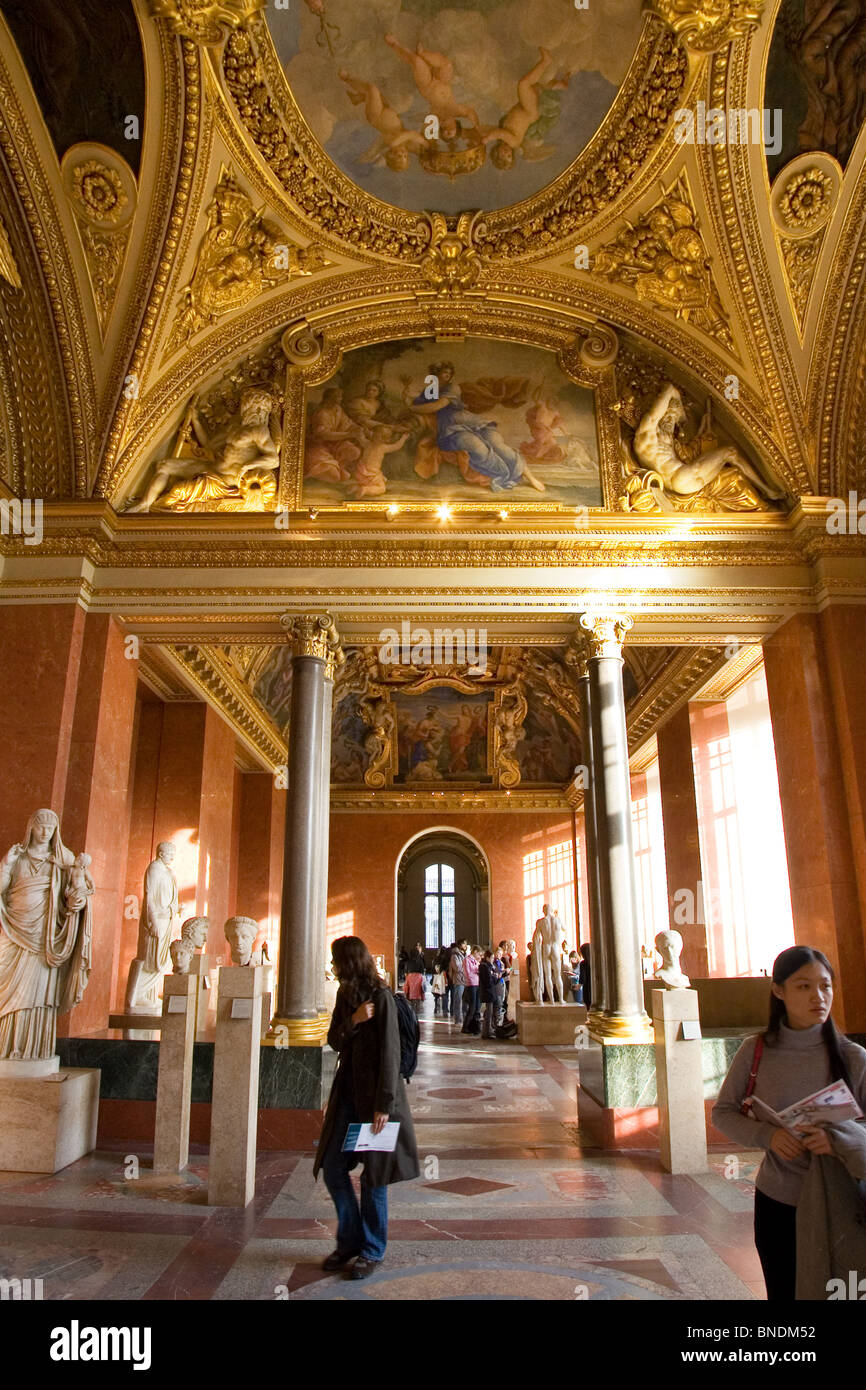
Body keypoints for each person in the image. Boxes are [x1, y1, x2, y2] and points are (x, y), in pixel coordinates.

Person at [712, 945, 866, 1302]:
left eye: (825, 986)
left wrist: (841, 1140)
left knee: (841, 1291)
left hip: (841, 1200)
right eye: (804, 986)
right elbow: (724, 1112)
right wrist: (769, 1135)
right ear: (778, 991)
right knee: (784, 1291)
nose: (819, 996)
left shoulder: (853, 1058)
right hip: (779, 1202)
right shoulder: (757, 1051)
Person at [314, 936, 420, 1279]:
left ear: (350, 962)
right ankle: (349, 1240)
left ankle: (372, 1250)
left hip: (377, 1100)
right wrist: (355, 1020)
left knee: (375, 1177)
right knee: (333, 1167)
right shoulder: (347, 997)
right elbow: (333, 1039)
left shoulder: (383, 997)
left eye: (336, 960)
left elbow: (391, 1052)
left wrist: (384, 1105)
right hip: (347, 1095)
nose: (333, 966)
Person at [404, 941, 427, 1016]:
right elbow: (422, 969)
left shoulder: (408, 962)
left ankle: (411, 1007)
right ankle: (417, 1008)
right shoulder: (420, 961)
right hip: (418, 978)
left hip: (410, 978)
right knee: (418, 992)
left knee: (410, 991)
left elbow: (406, 970)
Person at [462, 945, 481, 1034]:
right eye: (479, 954)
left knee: (477, 1007)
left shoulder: (476, 961)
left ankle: (474, 1027)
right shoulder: (467, 959)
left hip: (477, 984)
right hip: (471, 984)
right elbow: (468, 972)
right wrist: (476, 970)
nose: (479, 956)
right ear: (475, 951)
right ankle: (465, 1026)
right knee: (472, 1007)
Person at [449, 939, 467, 1024]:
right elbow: (457, 968)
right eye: (464, 944)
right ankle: (457, 1019)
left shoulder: (465, 954)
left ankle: (465, 1018)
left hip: (466, 980)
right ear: (460, 945)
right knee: (458, 1000)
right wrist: (467, 967)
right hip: (459, 980)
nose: (465, 946)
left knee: (465, 1001)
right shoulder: (454, 955)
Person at [479, 949, 496, 1038]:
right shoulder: (484, 966)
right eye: (492, 957)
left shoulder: (489, 966)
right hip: (488, 992)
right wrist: (494, 977)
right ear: (487, 958)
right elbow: (487, 981)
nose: (493, 959)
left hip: (490, 992)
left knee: (489, 1012)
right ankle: (486, 1033)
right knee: (488, 1013)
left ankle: (488, 1030)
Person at [578, 943, 592, 1009]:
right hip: (596, 987)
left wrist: (579, 985)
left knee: (588, 1006)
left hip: (587, 989)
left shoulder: (583, 964)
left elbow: (582, 978)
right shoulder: (595, 961)